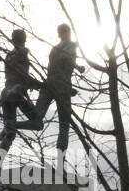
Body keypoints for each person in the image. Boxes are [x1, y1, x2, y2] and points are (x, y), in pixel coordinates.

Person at [25, 23, 85, 151]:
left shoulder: (54, 48)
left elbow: (56, 62)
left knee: (36, 118)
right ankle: (60, 164)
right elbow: (65, 58)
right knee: (64, 125)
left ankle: (11, 124)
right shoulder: (70, 45)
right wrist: (78, 67)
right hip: (62, 85)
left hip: (49, 83)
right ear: (67, 32)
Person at [0, 29, 44, 156]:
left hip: (6, 95)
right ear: (23, 40)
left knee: (10, 135)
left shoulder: (9, 55)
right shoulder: (22, 52)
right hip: (16, 93)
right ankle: (12, 125)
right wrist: (40, 85)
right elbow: (22, 75)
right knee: (38, 123)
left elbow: (15, 74)